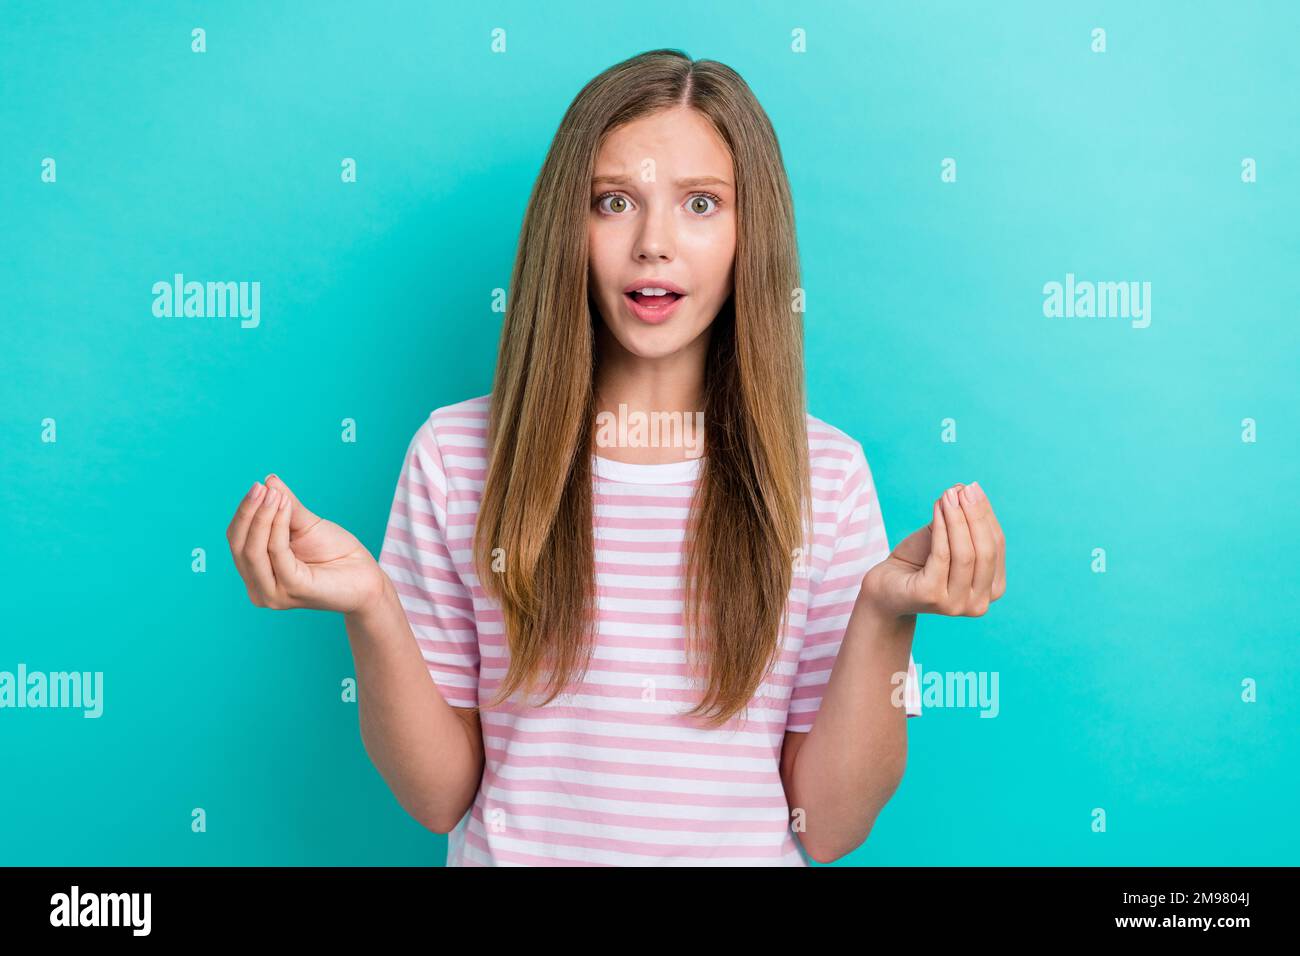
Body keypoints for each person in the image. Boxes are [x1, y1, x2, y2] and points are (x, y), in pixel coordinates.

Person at [226, 48, 1006, 866]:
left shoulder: (825, 475)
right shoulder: (456, 457)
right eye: (614, 202)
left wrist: (886, 612)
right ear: (570, 225)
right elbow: (439, 797)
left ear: (752, 235)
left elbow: (831, 826)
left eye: (701, 203)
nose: (653, 245)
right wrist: (372, 610)